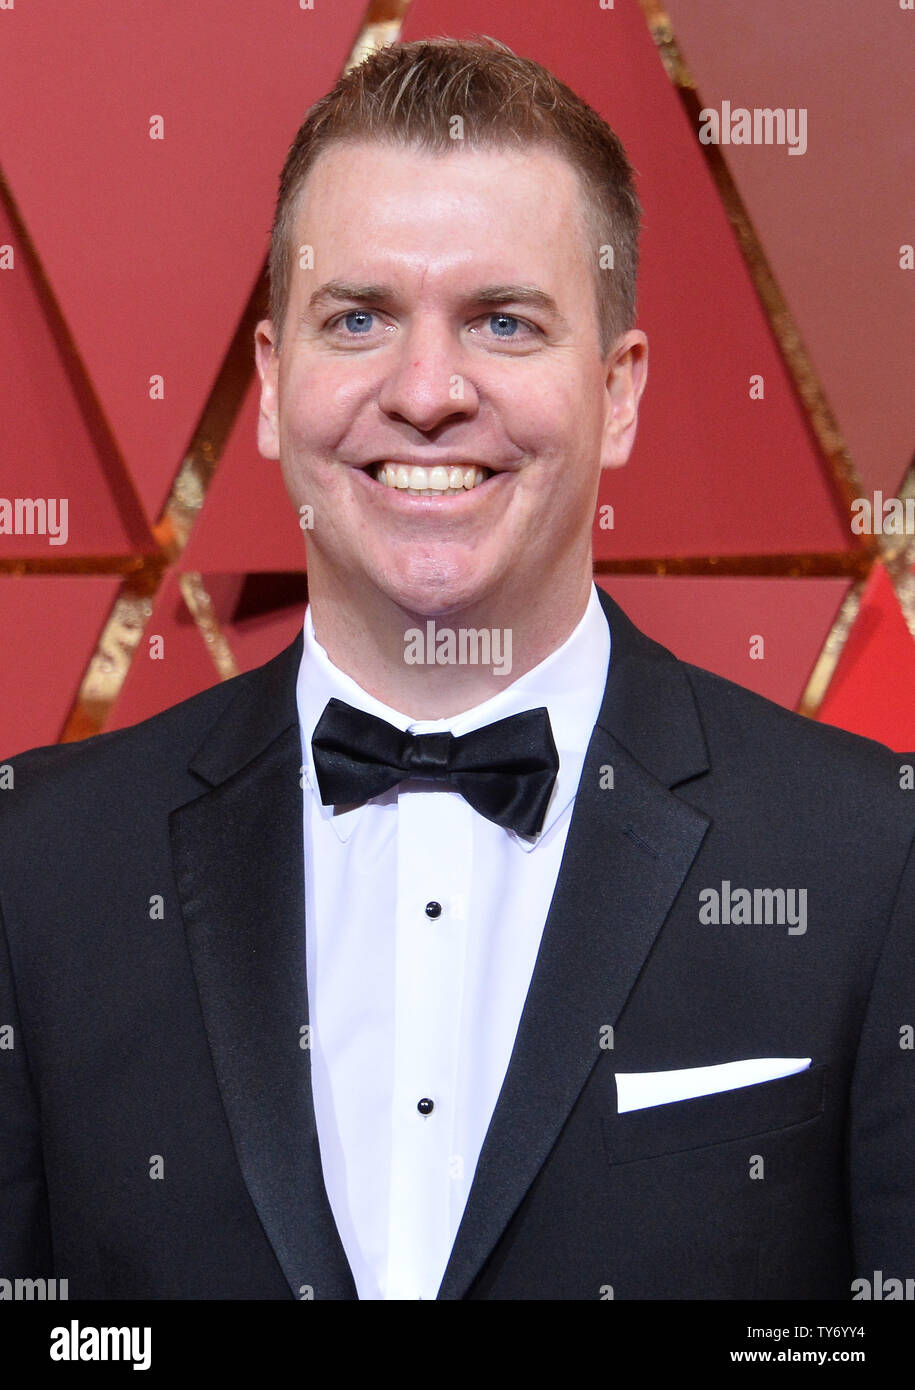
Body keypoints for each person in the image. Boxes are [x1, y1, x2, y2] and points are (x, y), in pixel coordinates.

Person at [1, 35, 912, 1302]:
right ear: (271, 386)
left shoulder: (871, 857)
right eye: (360, 317)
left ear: (620, 390)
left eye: (502, 320)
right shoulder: (36, 861)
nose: (427, 392)